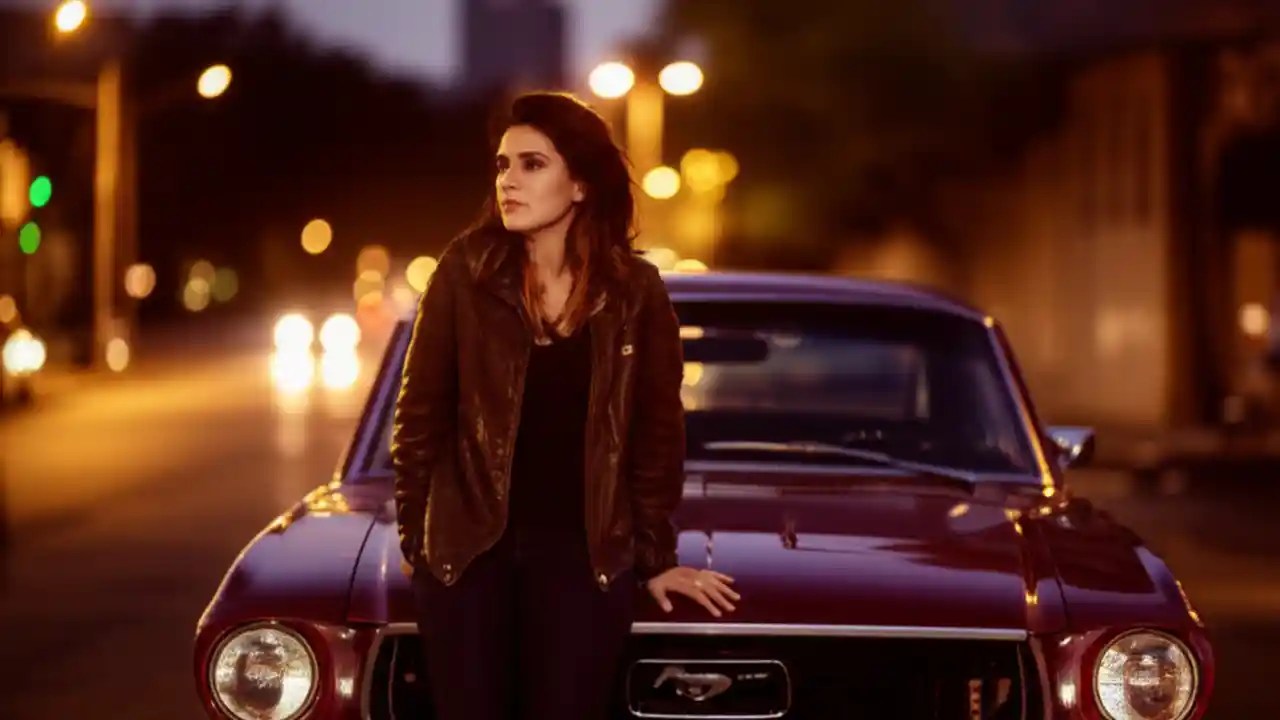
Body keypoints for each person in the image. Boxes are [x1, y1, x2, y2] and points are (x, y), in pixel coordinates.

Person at [390, 91, 740, 720]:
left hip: (584, 560)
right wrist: (422, 544)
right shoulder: (464, 272)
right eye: (502, 165)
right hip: (469, 558)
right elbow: (418, 420)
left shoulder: (636, 291)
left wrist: (655, 559)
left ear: (579, 184)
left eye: (531, 164)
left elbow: (656, 435)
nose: (509, 181)